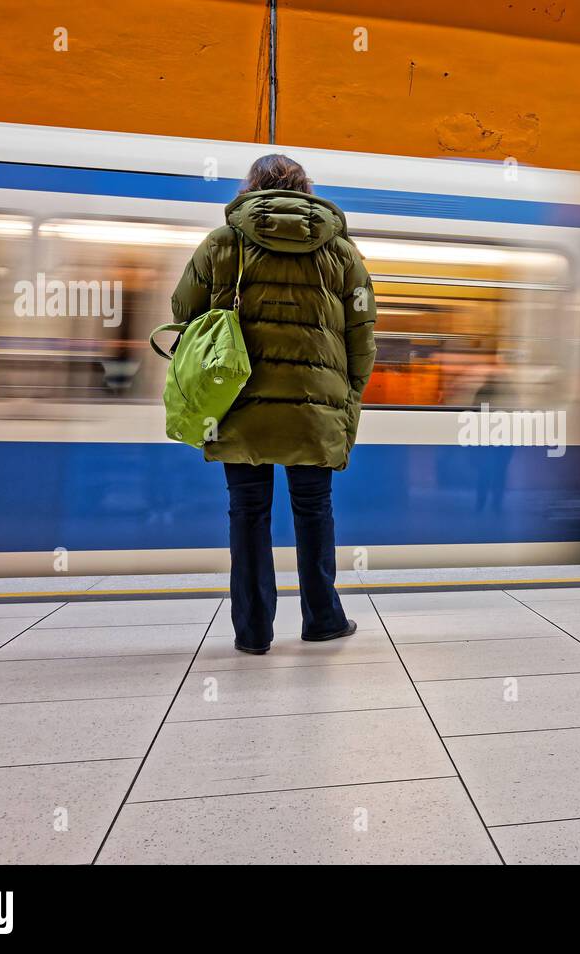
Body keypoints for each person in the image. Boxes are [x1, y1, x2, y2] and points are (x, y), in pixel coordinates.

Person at [171, 155, 376, 654]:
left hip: (239, 399)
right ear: (305, 191)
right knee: (313, 509)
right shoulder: (341, 252)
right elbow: (362, 333)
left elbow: (182, 309)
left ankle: (253, 631)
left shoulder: (223, 243)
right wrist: (348, 397)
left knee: (247, 512)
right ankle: (323, 618)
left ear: (252, 188)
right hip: (315, 407)